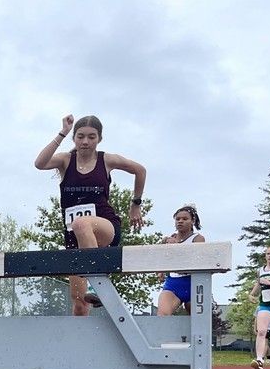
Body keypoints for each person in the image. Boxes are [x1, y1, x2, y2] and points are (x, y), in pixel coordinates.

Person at [34, 114, 146, 316]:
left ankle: (97, 282)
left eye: (91, 137)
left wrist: (135, 204)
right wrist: (62, 133)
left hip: (105, 227)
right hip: (75, 239)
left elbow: (140, 170)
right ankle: (79, 345)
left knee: (81, 223)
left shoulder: (107, 160)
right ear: (74, 138)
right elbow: (39, 163)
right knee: (79, 303)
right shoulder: (66, 160)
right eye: (80, 136)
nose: (85, 141)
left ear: (99, 139)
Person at [157, 204, 206, 316]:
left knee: (197, 320)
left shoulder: (198, 238)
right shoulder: (171, 238)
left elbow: (197, 260)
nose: (180, 221)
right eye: (178, 219)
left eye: (185, 219)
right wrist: (161, 270)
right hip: (173, 283)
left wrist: (178, 248)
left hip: (193, 283)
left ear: (192, 221)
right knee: (162, 315)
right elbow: (164, 257)